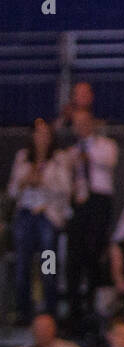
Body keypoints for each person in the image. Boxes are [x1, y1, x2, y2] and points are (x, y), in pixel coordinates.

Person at [7, 118, 71, 323]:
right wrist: (25, 181)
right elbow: (12, 191)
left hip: (48, 216)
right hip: (26, 215)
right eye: (38, 134)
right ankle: (23, 311)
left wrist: (44, 182)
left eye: (46, 134)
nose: (41, 139)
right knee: (22, 265)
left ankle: (49, 311)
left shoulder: (59, 159)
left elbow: (66, 189)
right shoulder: (23, 157)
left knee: (48, 265)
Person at [62, 108, 120, 326]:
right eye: (77, 123)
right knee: (74, 256)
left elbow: (110, 162)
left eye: (85, 122)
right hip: (79, 203)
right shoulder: (71, 151)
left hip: (99, 201)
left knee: (94, 253)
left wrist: (87, 156)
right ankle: (74, 307)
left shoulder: (105, 145)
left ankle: (93, 305)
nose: (81, 127)